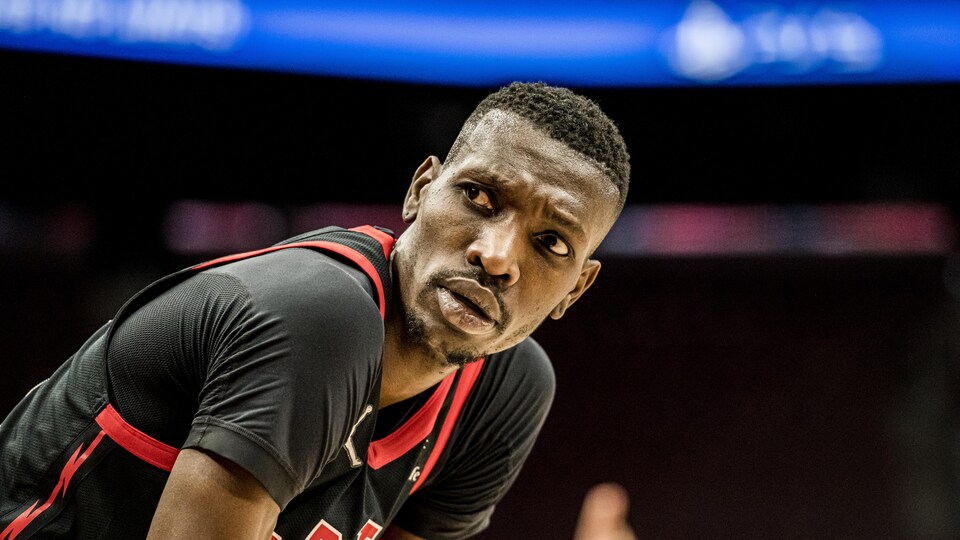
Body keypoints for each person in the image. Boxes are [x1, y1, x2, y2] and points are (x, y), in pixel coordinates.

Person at [0, 81, 631, 539]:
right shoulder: (319, 317)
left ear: (575, 290)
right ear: (420, 189)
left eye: (551, 243)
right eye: (479, 197)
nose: (496, 256)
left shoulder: (506, 390)